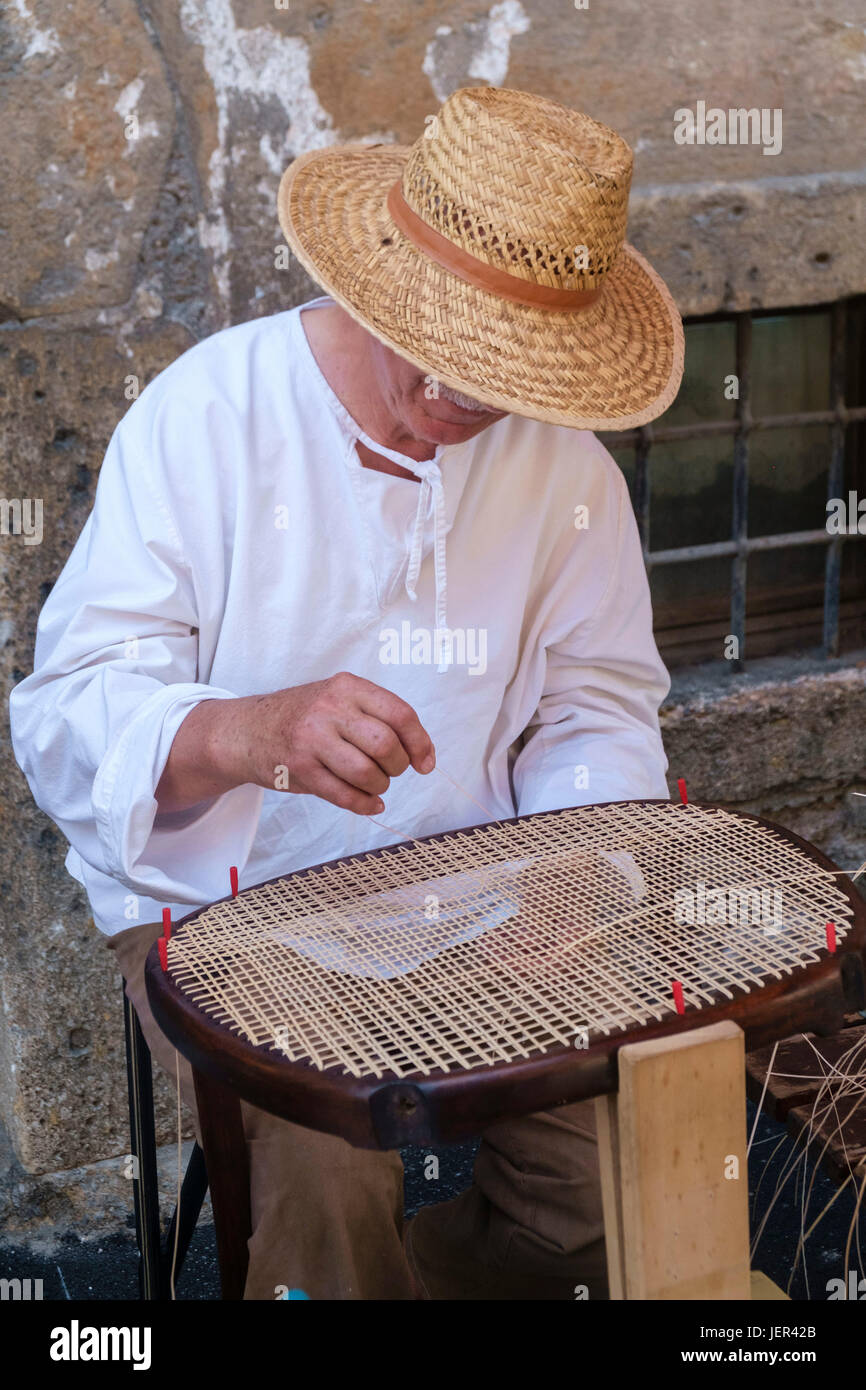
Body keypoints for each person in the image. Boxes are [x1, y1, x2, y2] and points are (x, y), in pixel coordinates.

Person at [10, 85, 684, 1300]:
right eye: (436, 366)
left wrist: (574, 865)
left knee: (619, 1168)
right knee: (325, 1175)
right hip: (227, 906)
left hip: (485, 892)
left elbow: (594, 701)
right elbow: (66, 712)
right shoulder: (207, 417)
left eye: (497, 385)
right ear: (378, 283)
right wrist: (247, 732)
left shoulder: (566, 467)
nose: (453, 410)